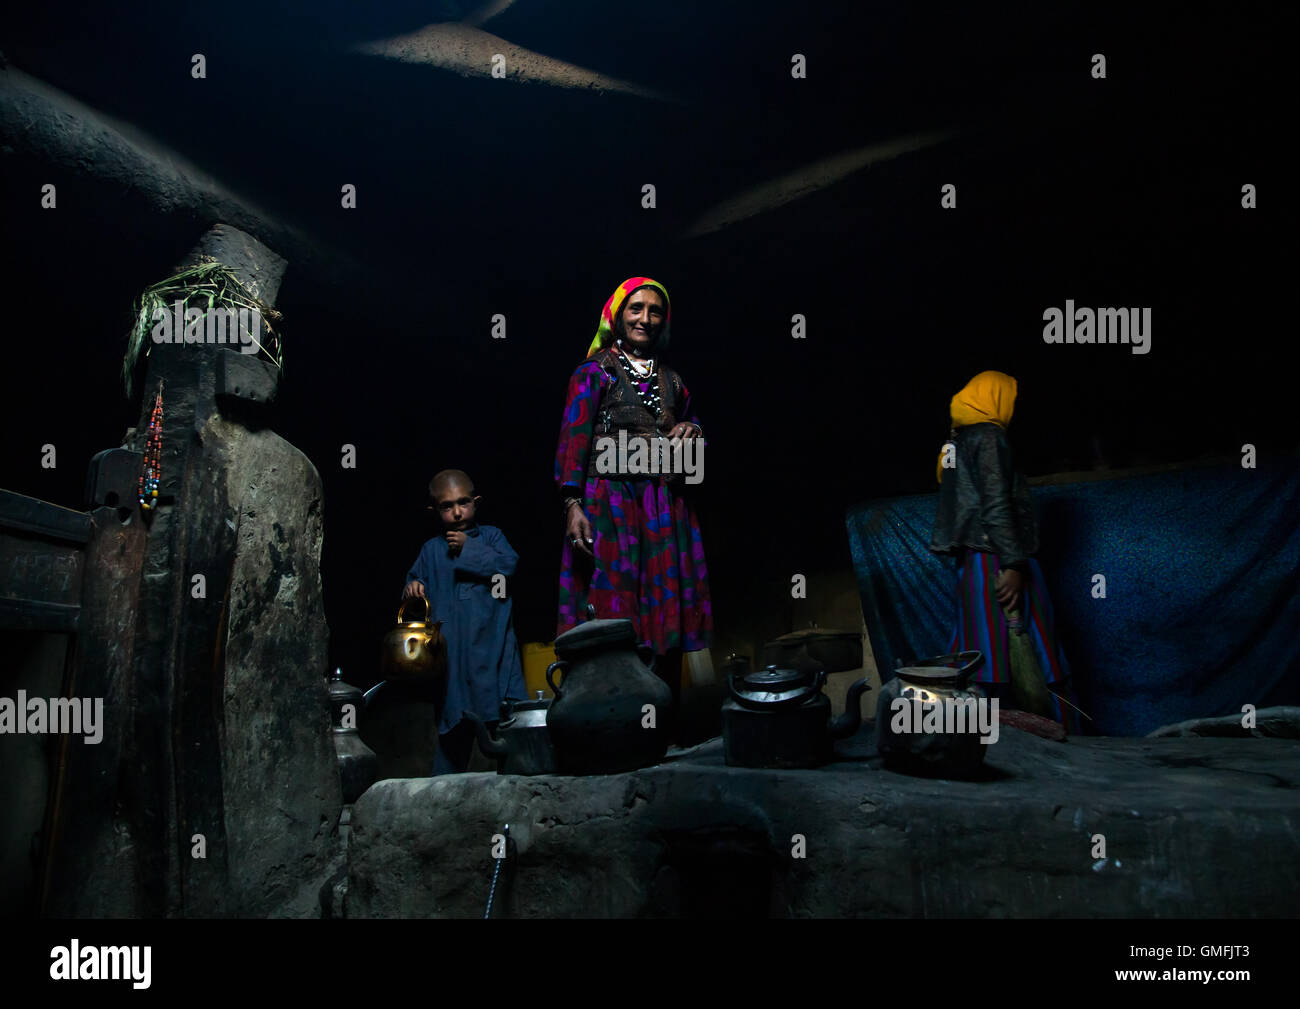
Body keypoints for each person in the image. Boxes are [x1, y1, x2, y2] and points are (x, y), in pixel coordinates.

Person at [553, 277, 713, 727]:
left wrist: (692, 430)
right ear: (617, 316)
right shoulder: (594, 373)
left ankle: (666, 726)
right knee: (615, 607)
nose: (645, 318)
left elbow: (691, 424)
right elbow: (573, 440)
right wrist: (572, 504)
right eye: (635, 308)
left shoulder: (673, 380)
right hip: (610, 507)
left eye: (655, 311)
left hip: (666, 509)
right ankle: (614, 725)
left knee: (667, 611)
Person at [929, 371, 1082, 732]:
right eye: (1010, 397)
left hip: (973, 565)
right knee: (1038, 648)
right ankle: (1065, 739)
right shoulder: (989, 436)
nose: (1014, 406)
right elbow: (996, 505)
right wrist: (1013, 563)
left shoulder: (957, 442)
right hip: (999, 559)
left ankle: (965, 737)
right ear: (995, 398)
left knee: (974, 654)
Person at [404, 469, 526, 773]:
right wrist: (413, 589)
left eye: (464, 502)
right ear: (434, 511)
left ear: (476, 501)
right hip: (453, 658)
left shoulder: (491, 537)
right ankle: (443, 800)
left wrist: (469, 549)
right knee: (452, 724)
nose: (458, 512)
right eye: (447, 506)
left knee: (508, 726)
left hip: (493, 646)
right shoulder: (431, 551)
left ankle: (522, 785)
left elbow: (508, 566)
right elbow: (413, 586)